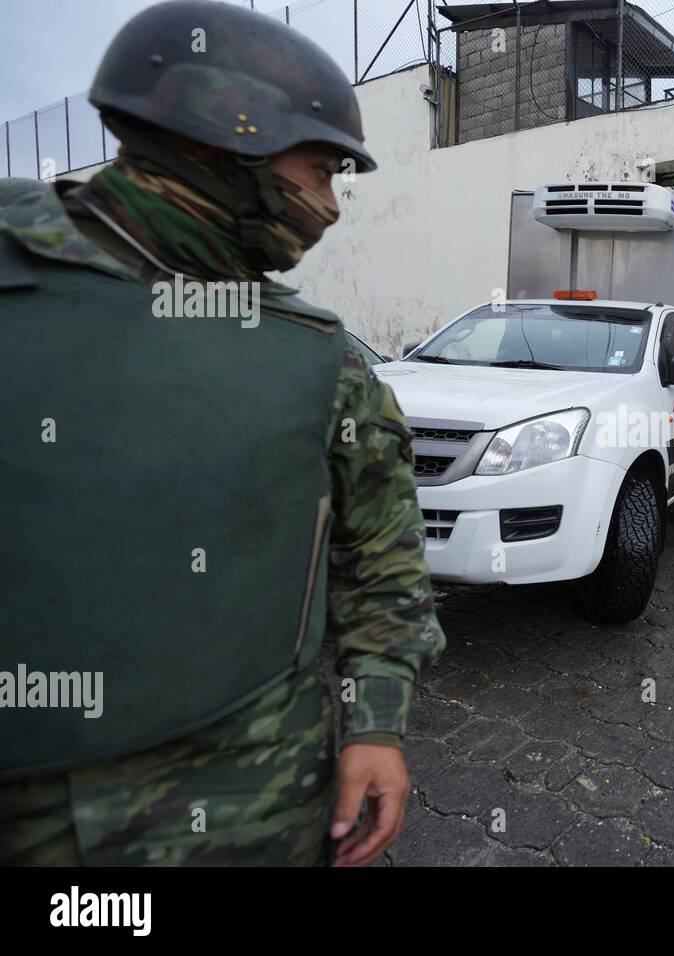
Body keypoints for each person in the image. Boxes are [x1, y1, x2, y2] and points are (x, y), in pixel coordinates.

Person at [0, 0, 444, 866]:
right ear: (219, 139)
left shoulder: (320, 358)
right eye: (319, 170)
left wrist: (377, 724)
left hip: (249, 813)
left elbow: (383, 564)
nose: (328, 206)